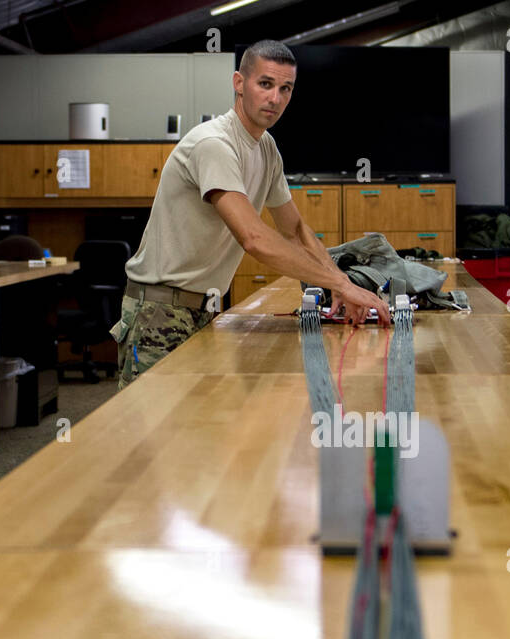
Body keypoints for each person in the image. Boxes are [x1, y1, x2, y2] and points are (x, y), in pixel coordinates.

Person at [112, 39, 391, 388]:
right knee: (150, 433)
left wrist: (337, 282)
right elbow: (254, 238)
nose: (275, 98)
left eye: (285, 88)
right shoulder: (214, 145)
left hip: (205, 309)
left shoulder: (267, 148)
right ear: (239, 83)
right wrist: (340, 284)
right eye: (265, 84)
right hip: (160, 310)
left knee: (194, 430)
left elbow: (295, 230)